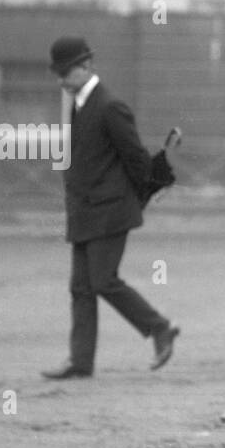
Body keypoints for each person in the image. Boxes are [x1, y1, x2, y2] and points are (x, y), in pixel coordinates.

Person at [41, 36, 179, 379]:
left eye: (65, 72)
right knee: (80, 287)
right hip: (85, 211)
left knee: (103, 281)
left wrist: (138, 195)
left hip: (109, 211)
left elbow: (135, 158)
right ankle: (80, 361)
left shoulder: (109, 106)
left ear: (86, 66)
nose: (60, 80)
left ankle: (159, 327)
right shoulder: (79, 104)